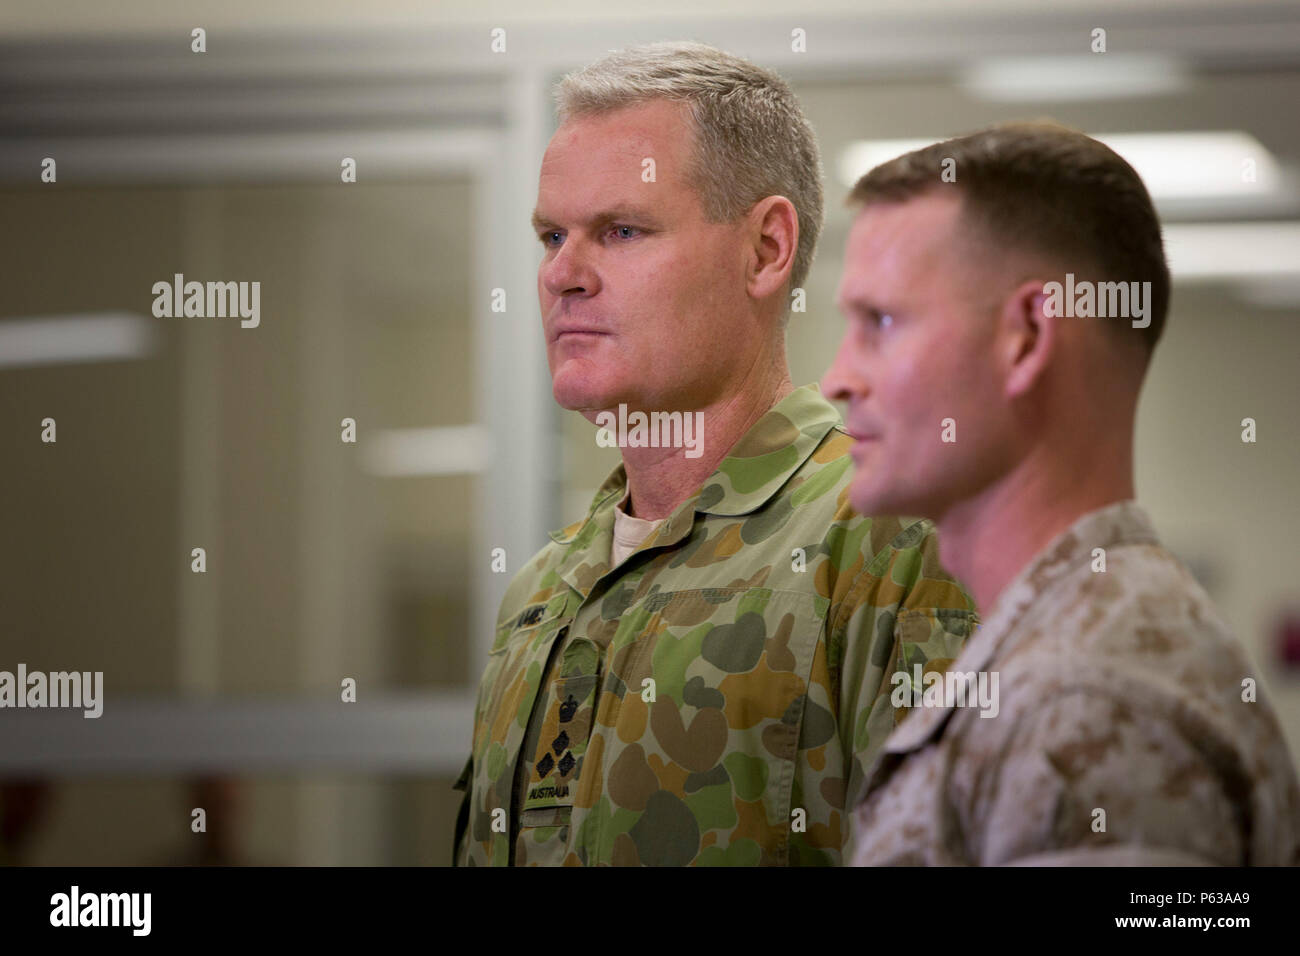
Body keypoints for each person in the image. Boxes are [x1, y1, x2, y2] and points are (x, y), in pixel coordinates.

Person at [451, 41, 977, 866]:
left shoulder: (893, 538)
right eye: (552, 235)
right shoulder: (544, 593)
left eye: (620, 230)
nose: (562, 274)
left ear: (766, 250)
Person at [822, 121, 1300, 865]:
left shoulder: (1089, 702)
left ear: (1027, 337)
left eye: (880, 322)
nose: (838, 378)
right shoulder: (1063, 653)